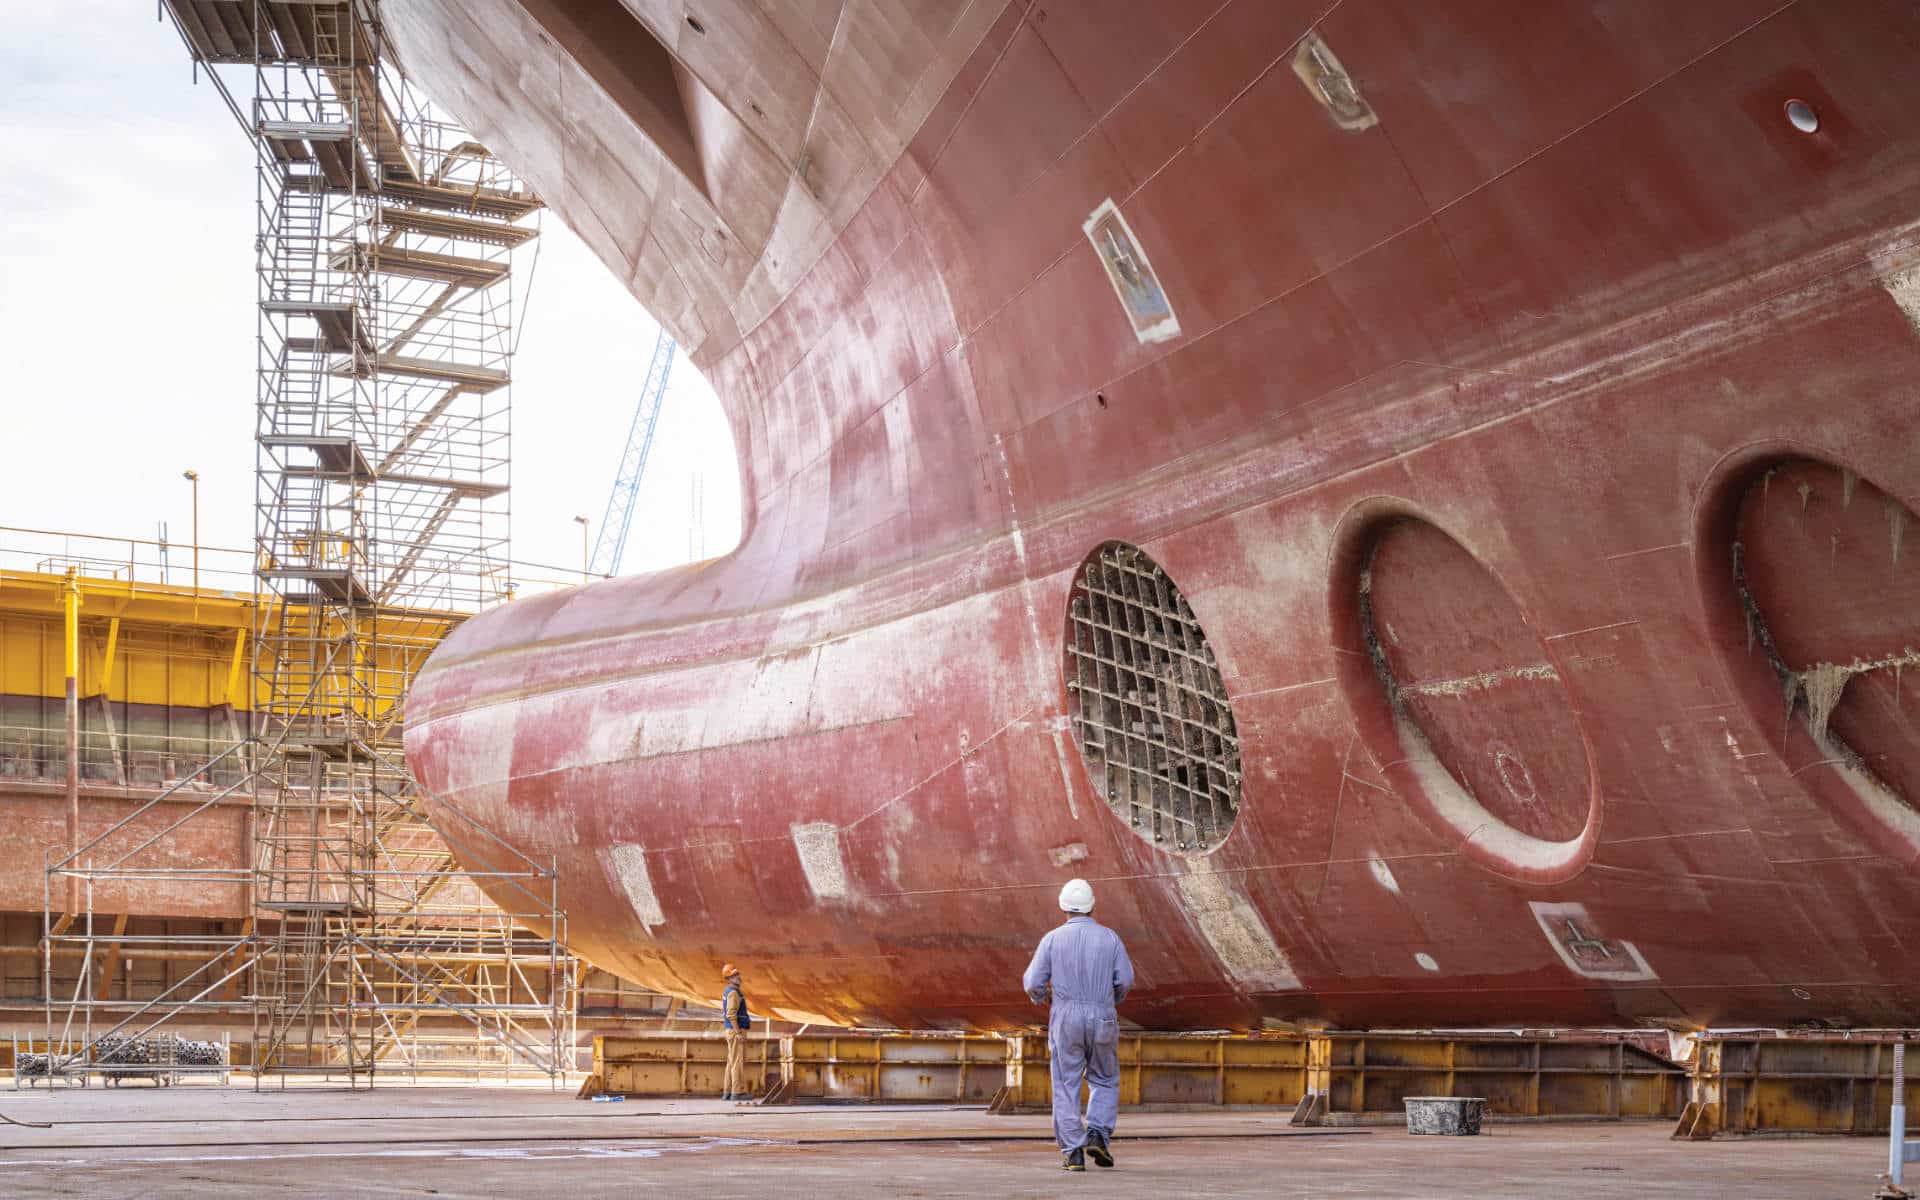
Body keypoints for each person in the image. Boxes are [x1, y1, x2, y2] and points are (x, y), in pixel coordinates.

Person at [1021, 878, 1134, 1171]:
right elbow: (1125, 980)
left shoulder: (1052, 939)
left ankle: (1073, 1153)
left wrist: (1042, 998)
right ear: (1092, 905)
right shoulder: (1110, 938)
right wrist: (1110, 1000)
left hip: (1066, 1016)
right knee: (1105, 1078)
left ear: (1062, 906)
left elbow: (1033, 982)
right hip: (1102, 1014)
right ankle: (1098, 1133)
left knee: (1065, 1083)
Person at [720, 963, 752, 1100]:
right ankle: (737, 1092)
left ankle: (727, 1091)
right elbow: (731, 1014)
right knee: (737, 1062)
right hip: (735, 1031)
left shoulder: (729, 991)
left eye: (737, 974)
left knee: (731, 1061)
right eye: (733, 976)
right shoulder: (733, 993)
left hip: (731, 1030)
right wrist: (739, 1032)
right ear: (728, 979)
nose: (737, 977)